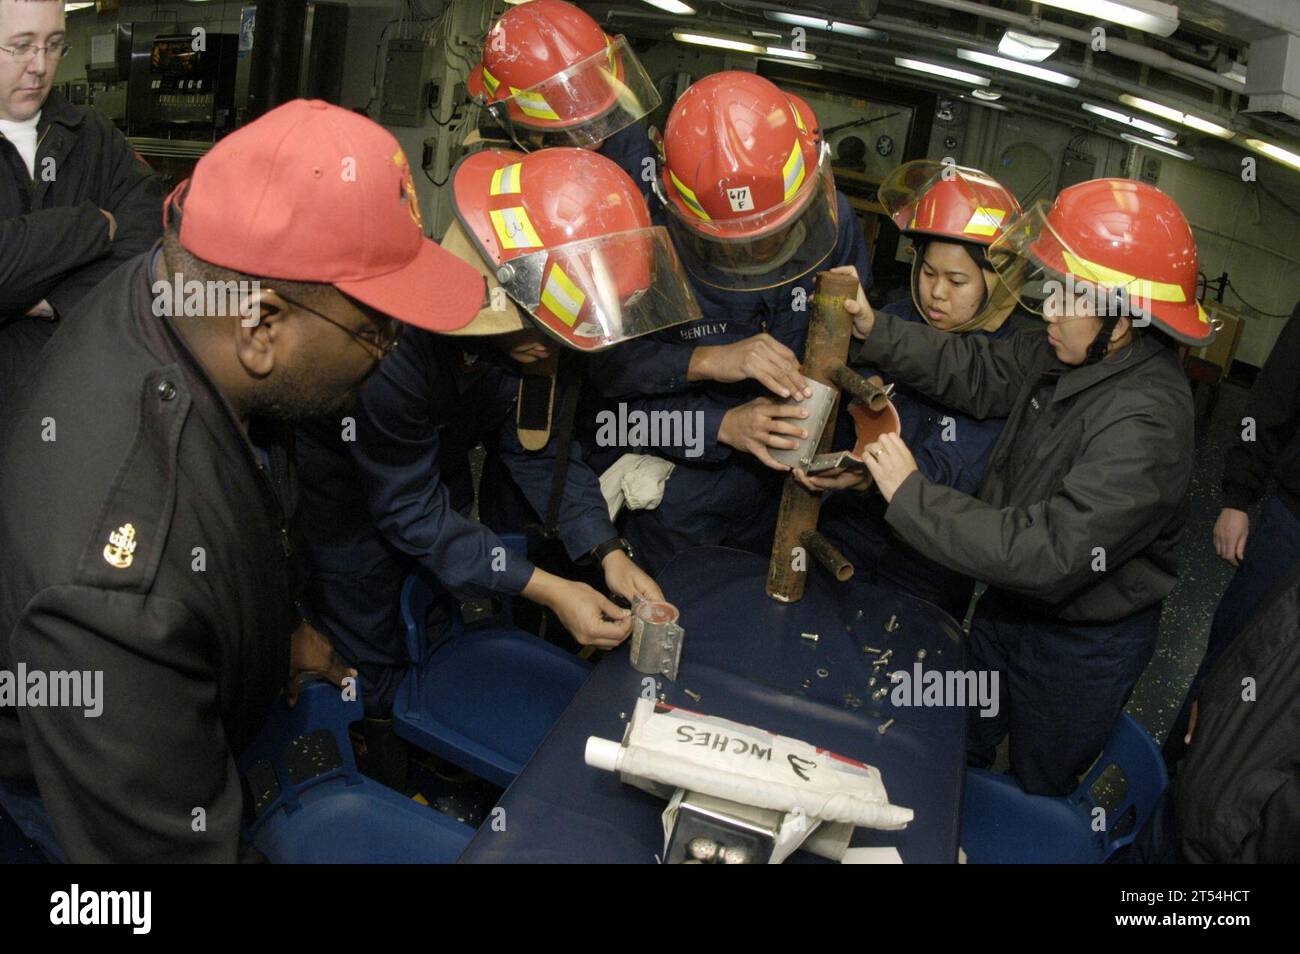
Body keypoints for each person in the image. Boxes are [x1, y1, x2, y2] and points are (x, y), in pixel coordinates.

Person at [0, 99, 486, 862]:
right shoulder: (119, 597)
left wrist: (273, 634)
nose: (391, 351)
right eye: (375, 330)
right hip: (73, 802)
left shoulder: (179, 292)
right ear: (260, 328)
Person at [802, 179, 1213, 796]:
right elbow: (976, 369)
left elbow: (1049, 551)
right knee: (956, 734)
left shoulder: (1149, 422)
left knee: (1039, 784)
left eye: (1068, 299)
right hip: (1007, 608)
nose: (1048, 309)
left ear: (1122, 321)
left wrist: (909, 493)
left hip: (1079, 647)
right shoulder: (1068, 352)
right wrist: (874, 329)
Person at [296, 145, 698, 725]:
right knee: (376, 669)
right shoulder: (390, 351)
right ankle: (380, 759)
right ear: (496, 291)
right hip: (354, 519)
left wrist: (604, 550)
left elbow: (532, 448)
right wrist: (553, 591)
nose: (552, 350)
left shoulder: (524, 345)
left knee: (441, 640)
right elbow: (410, 512)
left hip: (440, 493)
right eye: (542, 332)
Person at [588, 72, 872, 573]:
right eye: (732, 241)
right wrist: (714, 391)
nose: (758, 249)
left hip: (786, 482)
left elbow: (857, 351)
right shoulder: (641, 235)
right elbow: (610, 396)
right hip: (685, 484)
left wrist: (847, 448)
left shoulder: (834, 217)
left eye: (777, 231)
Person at [819, 160, 1035, 619]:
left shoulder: (1006, 363)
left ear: (997, 284)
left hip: (930, 558)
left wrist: (867, 476)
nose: (937, 293)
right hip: (849, 524)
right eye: (929, 272)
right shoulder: (894, 319)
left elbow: (957, 472)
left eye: (957, 281)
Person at [0, 0, 161, 403]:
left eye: (53, 45)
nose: (40, 66)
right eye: (21, 46)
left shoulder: (93, 135)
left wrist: (55, 299)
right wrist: (88, 227)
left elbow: (149, 244)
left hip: (83, 396)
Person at [1164, 302, 1300, 764]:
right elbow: (1270, 401)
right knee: (1232, 659)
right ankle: (1168, 784)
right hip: (1292, 525)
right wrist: (1237, 499)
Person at [466, 0, 658, 195]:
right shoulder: (500, 161)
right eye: (567, 102)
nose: (595, 133)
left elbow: (644, 201)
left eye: (588, 90)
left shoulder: (629, 136)